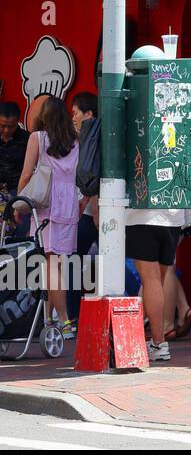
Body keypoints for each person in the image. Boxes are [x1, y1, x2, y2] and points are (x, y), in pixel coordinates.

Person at [17, 97, 79, 338]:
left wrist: (18, 204)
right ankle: (48, 319)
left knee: (51, 265)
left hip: (44, 205)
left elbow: (25, 174)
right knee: (57, 264)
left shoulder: (38, 138)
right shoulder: (76, 141)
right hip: (69, 204)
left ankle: (63, 322)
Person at [126, 207, 190, 363]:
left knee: (151, 280)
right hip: (173, 216)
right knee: (157, 281)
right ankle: (146, 339)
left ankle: (158, 342)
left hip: (142, 215)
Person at [67, 92, 99, 324]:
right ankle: (75, 315)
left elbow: (98, 174)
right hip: (88, 213)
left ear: (89, 114)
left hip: (96, 214)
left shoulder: (96, 138)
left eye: (76, 113)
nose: (73, 119)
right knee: (74, 261)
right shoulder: (80, 140)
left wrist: (92, 204)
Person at [0, 101, 30, 201]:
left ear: (18, 121)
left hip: (19, 191)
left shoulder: (28, 139)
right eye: (2, 126)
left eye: (11, 126)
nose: (6, 130)